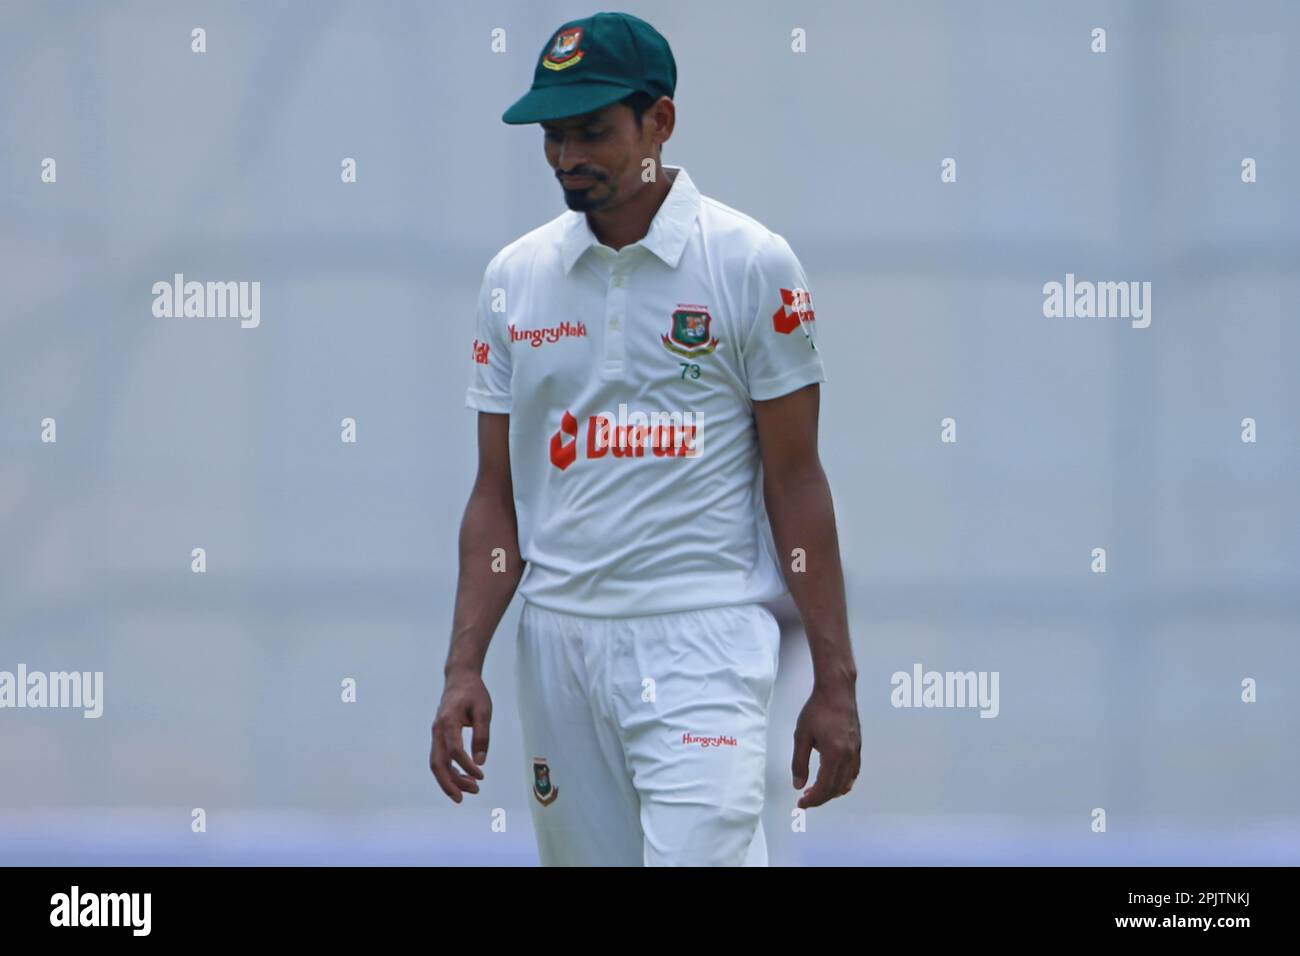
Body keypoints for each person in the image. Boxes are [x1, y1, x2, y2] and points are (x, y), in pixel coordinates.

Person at [429, 11, 860, 866]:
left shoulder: (749, 263)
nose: (567, 157)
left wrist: (835, 680)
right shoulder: (515, 279)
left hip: (703, 638)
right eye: (555, 135)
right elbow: (495, 494)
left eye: (594, 132)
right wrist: (462, 666)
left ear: (659, 122)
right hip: (556, 649)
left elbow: (797, 481)